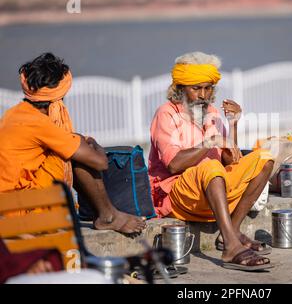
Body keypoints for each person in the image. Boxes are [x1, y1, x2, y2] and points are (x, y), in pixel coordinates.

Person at [148, 52, 274, 271]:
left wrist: (232, 124)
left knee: (265, 158)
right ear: (180, 88)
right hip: (179, 196)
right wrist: (208, 143)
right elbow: (174, 165)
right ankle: (232, 248)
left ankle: (230, 234)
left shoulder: (213, 113)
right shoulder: (166, 114)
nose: (203, 94)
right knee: (210, 166)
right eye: (196, 88)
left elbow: (230, 160)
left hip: (213, 192)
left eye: (207, 88)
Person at [0, 53, 146, 234]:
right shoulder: (40, 123)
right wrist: (95, 145)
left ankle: (104, 214)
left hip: (8, 206)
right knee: (75, 154)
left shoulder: (16, 113)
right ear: (57, 99)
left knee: (74, 144)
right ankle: (108, 216)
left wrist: (77, 140)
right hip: (20, 211)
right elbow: (100, 162)